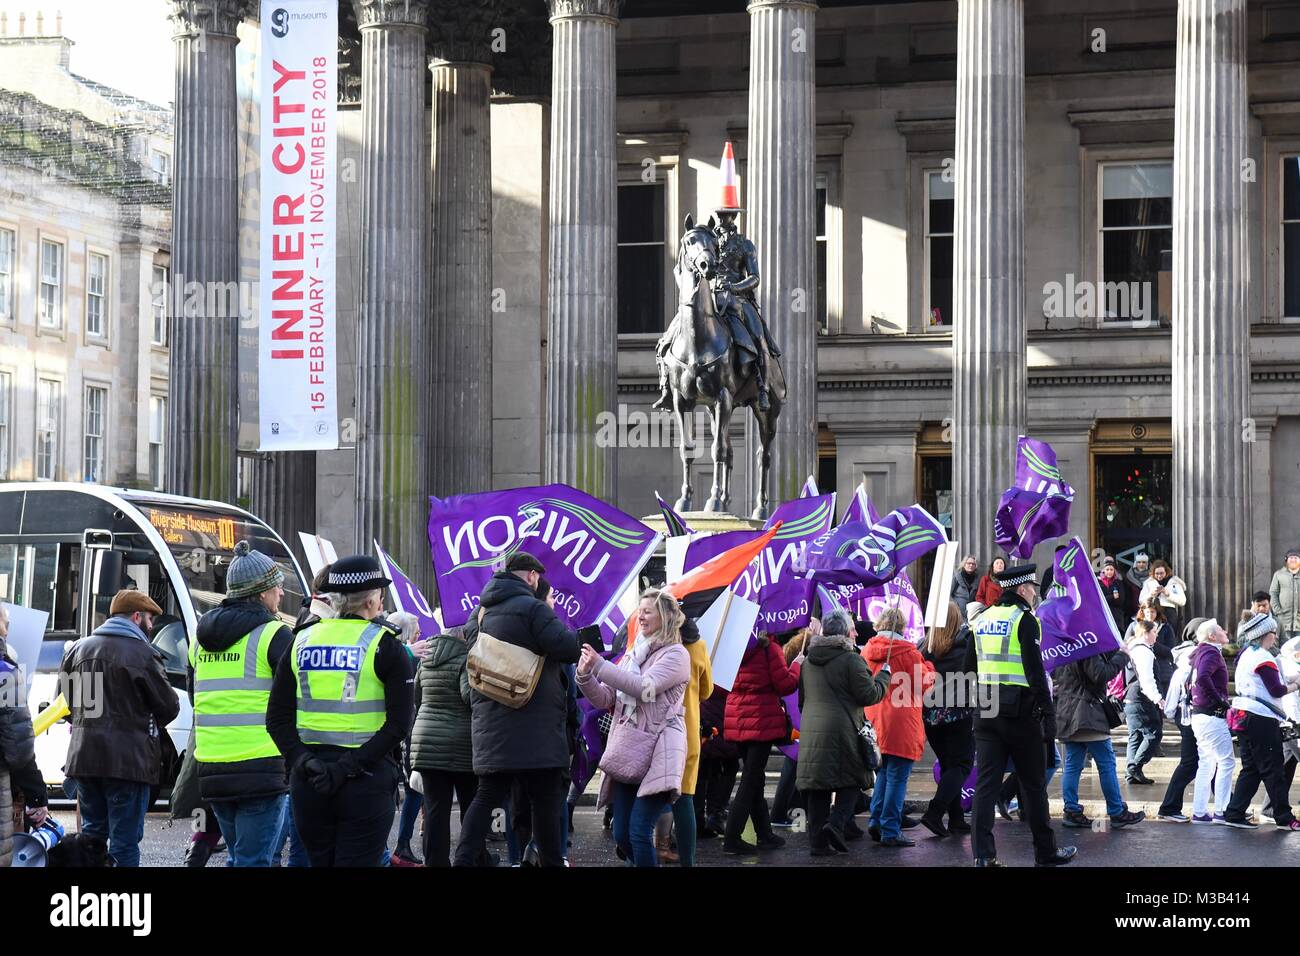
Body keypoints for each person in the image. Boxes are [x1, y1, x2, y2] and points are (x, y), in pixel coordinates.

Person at [266, 555, 415, 866]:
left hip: (311, 780)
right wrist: (347, 767)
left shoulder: (301, 641)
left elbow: (277, 719)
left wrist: (303, 760)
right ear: (373, 599)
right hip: (365, 779)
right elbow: (399, 725)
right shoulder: (386, 646)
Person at [451, 552, 582, 867]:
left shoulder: (479, 614)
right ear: (532, 577)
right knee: (545, 806)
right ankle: (550, 862)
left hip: (493, 726)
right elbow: (566, 647)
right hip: (536, 729)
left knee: (486, 797)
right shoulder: (534, 609)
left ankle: (463, 860)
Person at [190, 541, 296, 867]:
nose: (281, 593)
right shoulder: (274, 634)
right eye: (276, 586)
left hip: (212, 765)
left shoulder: (200, 638)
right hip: (261, 767)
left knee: (240, 858)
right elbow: (298, 698)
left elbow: (199, 696)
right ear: (261, 592)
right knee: (254, 861)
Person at [60, 589, 179, 868]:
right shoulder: (143, 653)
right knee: (125, 842)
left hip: (85, 761)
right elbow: (169, 706)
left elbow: (66, 703)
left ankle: (90, 904)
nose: (152, 627)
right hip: (128, 763)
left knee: (91, 838)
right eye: (150, 619)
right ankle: (122, 904)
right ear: (136, 617)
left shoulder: (79, 649)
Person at [966, 563, 1075, 867]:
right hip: (1021, 712)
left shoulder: (982, 619)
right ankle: (1045, 852)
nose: (1034, 594)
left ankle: (983, 855)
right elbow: (1035, 671)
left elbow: (967, 668)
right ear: (1022, 589)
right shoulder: (1025, 620)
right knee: (1033, 784)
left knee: (986, 785)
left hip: (986, 710)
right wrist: (1049, 713)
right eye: (1032, 589)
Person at [577, 589, 690, 866]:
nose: (641, 615)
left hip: (660, 751)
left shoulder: (676, 655)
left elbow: (643, 689)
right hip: (630, 750)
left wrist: (601, 665)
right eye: (640, 610)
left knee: (639, 831)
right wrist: (584, 674)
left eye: (648, 611)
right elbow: (606, 698)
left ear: (665, 617)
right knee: (622, 834)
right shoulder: (633, 653)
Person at [796, 608, 889, 856]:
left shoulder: (808, 660)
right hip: (842, 730)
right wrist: (884, 678)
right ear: (846, 632)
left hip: (812, 730)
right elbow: (869, 694)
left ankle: (817, 843)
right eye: (852, 628)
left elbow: (802, 701)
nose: (855, 632)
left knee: (818, 787)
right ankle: (835, 825)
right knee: (855, 778)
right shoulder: (851, 659)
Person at [722, 629, 799, 854]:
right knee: (750, 780)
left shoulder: (733, 646)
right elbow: (785, 685)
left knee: (755, 778)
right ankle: (732, 838)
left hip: (737, 717)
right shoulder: (769, 649)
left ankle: (764, 833)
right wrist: (796, 665)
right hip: (760, 719)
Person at [863, 607, 935, 848]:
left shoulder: (867, 650)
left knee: (883, 772)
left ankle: (876, 819)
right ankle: (890, 829)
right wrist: (930, 667)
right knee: (897, 777)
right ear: (902, 626)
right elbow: (924, 684)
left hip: (875, 718)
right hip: (901, 721)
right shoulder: (908, 651)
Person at [1053, 642, 1145, 830]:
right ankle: (1117, 811)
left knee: (1072, 764)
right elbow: (1100, 674)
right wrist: (1122, 655)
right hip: (1087, 713)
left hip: (1068, 713)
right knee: (1106, 763)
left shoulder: (1062, 647)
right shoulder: (1084, 646)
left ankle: (1071, 810)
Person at [1222, 613, 1300, 831]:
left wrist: (1292, 679)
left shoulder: (1248, 654)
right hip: (1260, 719)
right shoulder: (1264, 658)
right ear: (1265, 635)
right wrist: (1297, 685)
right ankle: (1284, 818)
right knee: (1274, 768)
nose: (1275, 637)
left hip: (1244, 715)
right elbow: (1276, 689)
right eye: (1273, 633)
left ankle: (1235, 813)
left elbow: (1267, 682)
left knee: (1252, 768)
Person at [410, 618, 476, 867]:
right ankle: (470, 859)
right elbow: (468, 698)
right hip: (460, 744)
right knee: (471, 806)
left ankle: (435, 862)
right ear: (462, 635)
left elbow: (417, 696)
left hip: (425, 741)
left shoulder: (426, 657)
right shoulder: (465, 659)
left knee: (436, 810)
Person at [657, 607, 713, 867]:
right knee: (685, 798)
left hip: (656, 728)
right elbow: (706, 691)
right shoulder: (698, 645)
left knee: (650, 797)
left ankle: (650, 852)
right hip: (687, 728)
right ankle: (688, 862)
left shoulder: (656, 643)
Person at [920, 601, 976, 837]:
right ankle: (934, 813)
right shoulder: (965, 645)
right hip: (957, 714)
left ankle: (956, 819)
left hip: (930, 715)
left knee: (947, 766)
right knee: (961, 765)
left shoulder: (925, 646)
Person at [1, 604, 49, 868]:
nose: (8, 630)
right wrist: (36, 795)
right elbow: (18, 748)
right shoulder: (5, 672)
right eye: (6, 623)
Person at [1156, 616, 1208, 822]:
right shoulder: (1190, 659)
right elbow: (1174, 695)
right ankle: (1168, 808)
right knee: (1191, 763)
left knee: (1203, 761)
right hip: (1191, 717)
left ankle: (1231, 805)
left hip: (1189, 717)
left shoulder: (1191, 657)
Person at [388, 611, 429, 866]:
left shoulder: (405, 655)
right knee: (413, 789)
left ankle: (401, 845)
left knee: (412, 789)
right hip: (405, 734)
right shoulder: (406, 657)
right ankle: (401, 845)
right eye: (416, 632)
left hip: (404, 733)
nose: (420, 636)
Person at [1187, 619, 1235, 825]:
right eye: (1220, 629)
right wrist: (1221, 701)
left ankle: (1199, 811)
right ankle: (1222, 811)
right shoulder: (1211, 653)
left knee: (1207, 762)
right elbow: (1203, 678)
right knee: (1226, 761)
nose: (1225, 631)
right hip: (1211, 715)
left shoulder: (1202, 652)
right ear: (1213, 636)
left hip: (1200, 715)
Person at [1123, 619, 1165, 785]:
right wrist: (1157, 698)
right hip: (1141, 698)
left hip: (1130, 697)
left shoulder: (1132, 648)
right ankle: (1134, 767)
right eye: (1154, 632)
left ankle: (1132, 774)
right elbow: (1147, 679)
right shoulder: (1144, 651)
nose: (1156, 636)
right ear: (1146, 633)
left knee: (1135, 736)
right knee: (1154, 733)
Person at [695, 685, 737, 838]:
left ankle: (699, 819)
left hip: (704, 712)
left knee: (706, 767)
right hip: (725, 714)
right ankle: (715, 814)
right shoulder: (730, 666)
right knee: (728, 764)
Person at [1140, 559, 1187, 639]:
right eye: (1157, 573)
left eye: (1161, 573)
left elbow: (1183, 601)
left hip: (1169, 614)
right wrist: (1151, 594)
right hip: (1153, 613)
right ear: (1153, 573)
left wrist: (1167, 593)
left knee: (1170, 639)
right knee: (1153, 638)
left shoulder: (1174, 582)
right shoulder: (1149, 583)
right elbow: (1141, 600)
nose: (1159, 576)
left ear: (1166, 572)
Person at [1270, 548, 1300, 641]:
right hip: (1284, 620)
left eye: (1296, 558)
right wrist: (1278, 611)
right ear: (1286, 560)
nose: (1293, 560)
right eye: (1291, 558)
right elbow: (1273, 593)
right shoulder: (1279, 574)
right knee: (1285, 648)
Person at [1097, 557, 1130, 632]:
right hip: (1103, 614)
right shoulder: (1098, 583)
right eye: (1107, 569)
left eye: (1111, 570)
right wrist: (1112, 597)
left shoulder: (1118, 582)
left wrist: (1107, 599)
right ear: (1103, 571)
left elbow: (1120, 601)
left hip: (1116, 616)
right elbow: (1099, 600)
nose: (1109, 572)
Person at [951, 556, 980, 622]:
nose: (971, 565)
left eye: (973, 564)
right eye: (968, 563)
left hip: (970, 613)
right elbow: (948, 594)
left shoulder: (977, 579)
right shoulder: (957, 576)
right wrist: (955, 606)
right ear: (964, 564)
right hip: (957, 612)